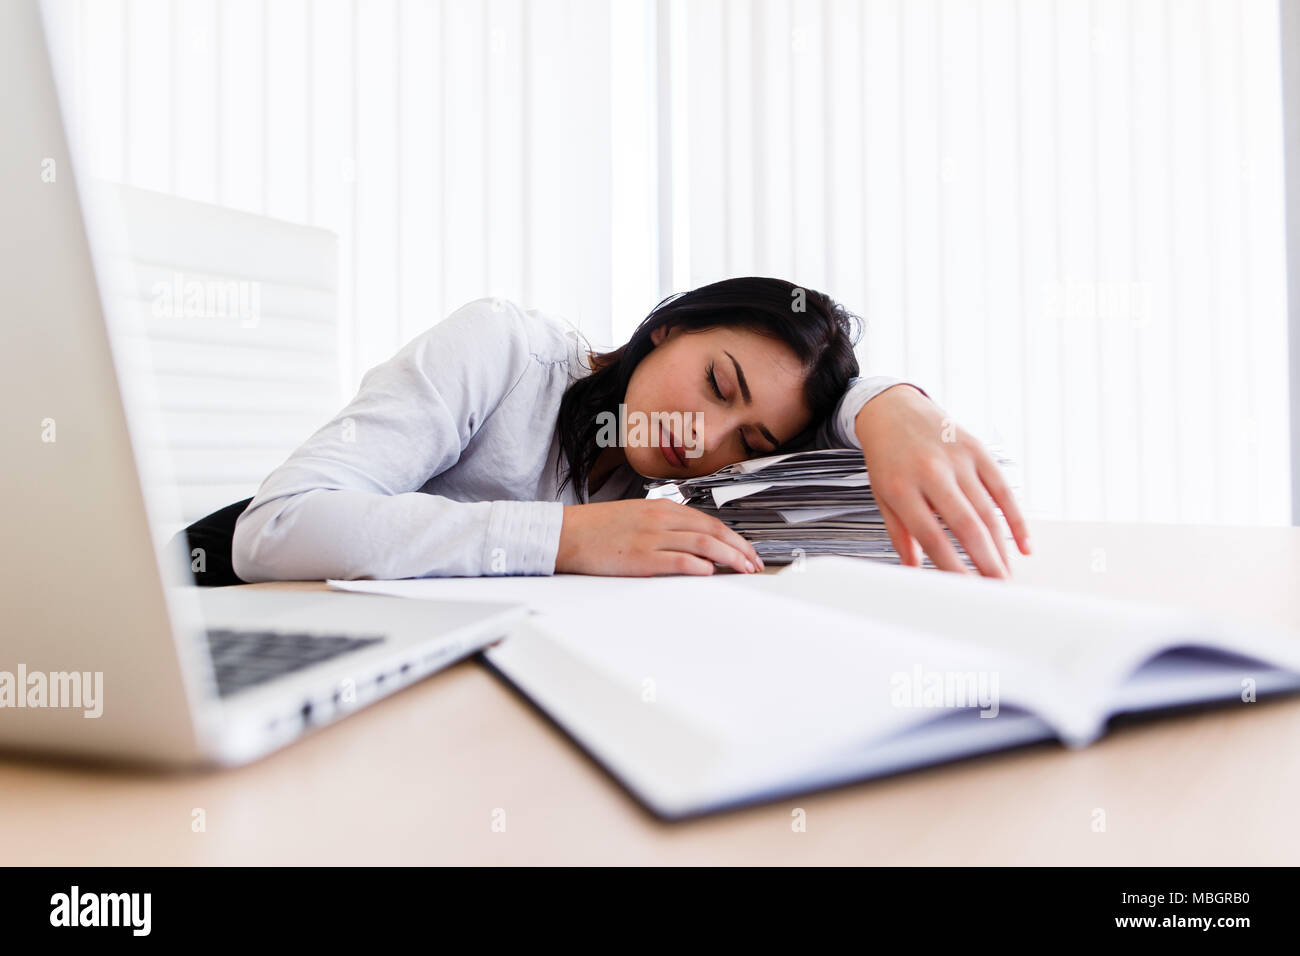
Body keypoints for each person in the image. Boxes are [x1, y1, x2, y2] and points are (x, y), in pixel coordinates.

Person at [221, 276, 1029, 583]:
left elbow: (827, 435)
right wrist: (567, 538)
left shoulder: (684, 494)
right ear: (668, 328)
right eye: (719, 383)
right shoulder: (504, 349)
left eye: (748, 443)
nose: (706, 436)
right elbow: (273, 530)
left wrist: (892, 406)